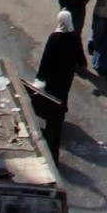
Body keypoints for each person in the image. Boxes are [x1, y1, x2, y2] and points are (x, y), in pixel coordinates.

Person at [32, 10, 85, 159]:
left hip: (53, 76)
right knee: (63, 95)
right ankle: (60, 113)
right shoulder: (75, 37)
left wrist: (40, 75)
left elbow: (46, 58)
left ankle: (53, 120)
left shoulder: (54, 38)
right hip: (66, 76)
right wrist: (83, 63)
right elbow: (79, 55)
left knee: (51, 98)